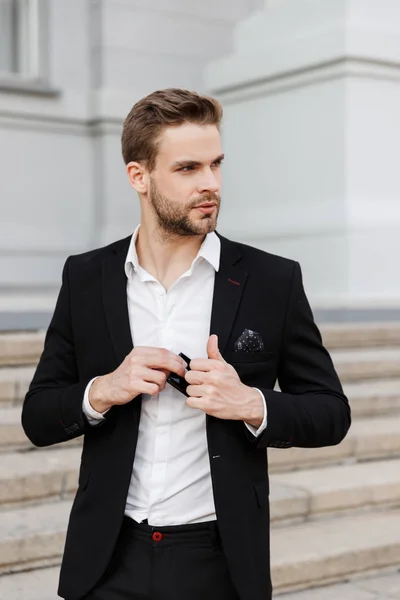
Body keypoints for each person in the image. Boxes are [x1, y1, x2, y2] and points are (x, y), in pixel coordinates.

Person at [22, 88, 351, 600]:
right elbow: (38, 416)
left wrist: (249, 404)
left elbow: (331, 413)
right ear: (139, 176)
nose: (211, 184)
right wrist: (103, 390)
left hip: (218, 562)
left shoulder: (271, 280)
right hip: (105, 560)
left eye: (217, 165)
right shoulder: (87, 277)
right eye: (188, 169)